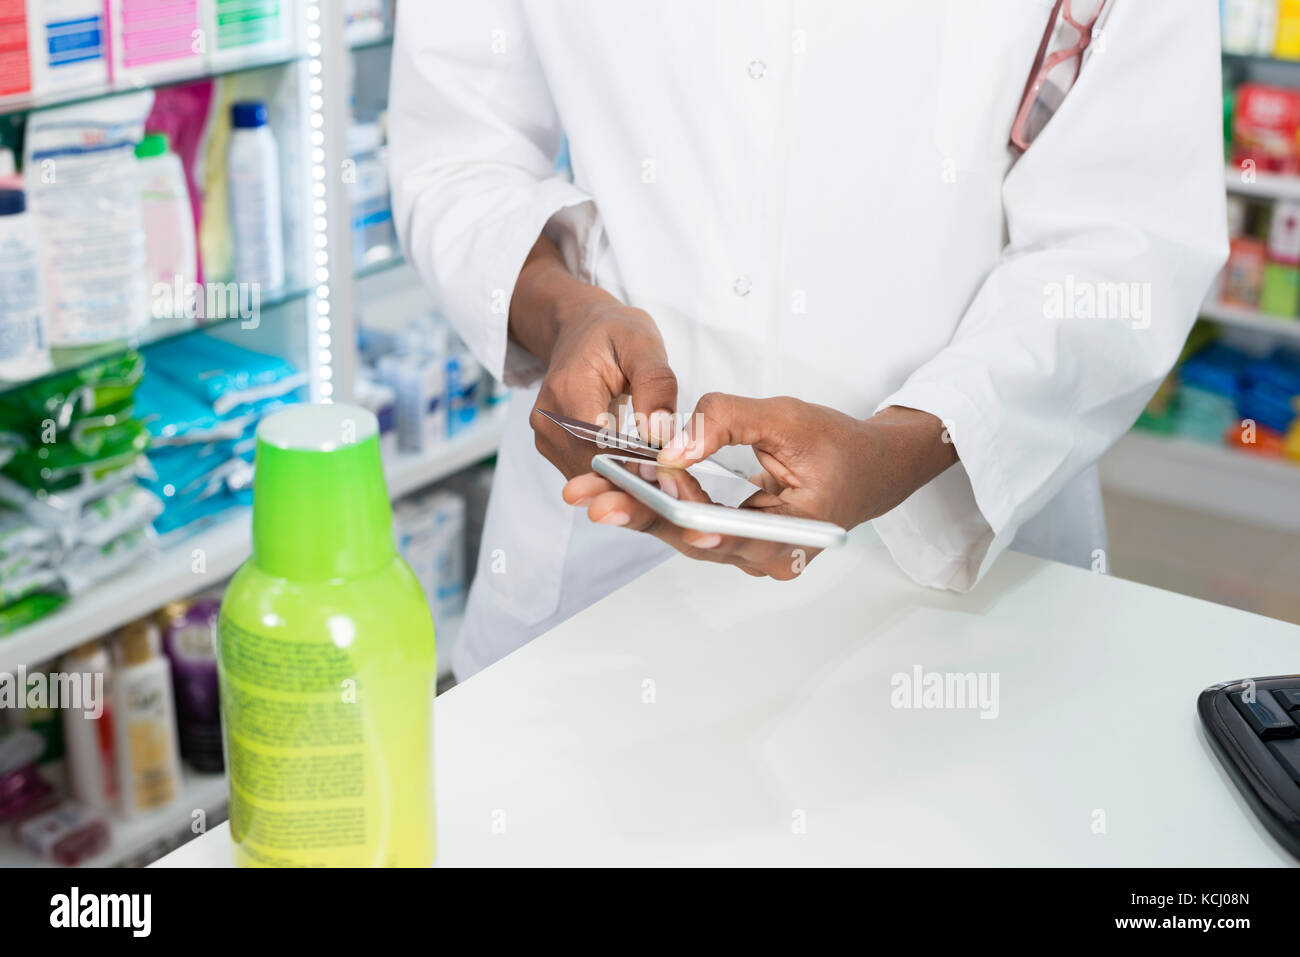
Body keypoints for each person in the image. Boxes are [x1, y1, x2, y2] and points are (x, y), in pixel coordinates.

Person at [389, 1, 1226, 680]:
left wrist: (909, 441)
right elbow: (460, 152)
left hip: (956, 562)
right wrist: (566, 315)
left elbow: (1125, 237)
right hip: (602, 559)